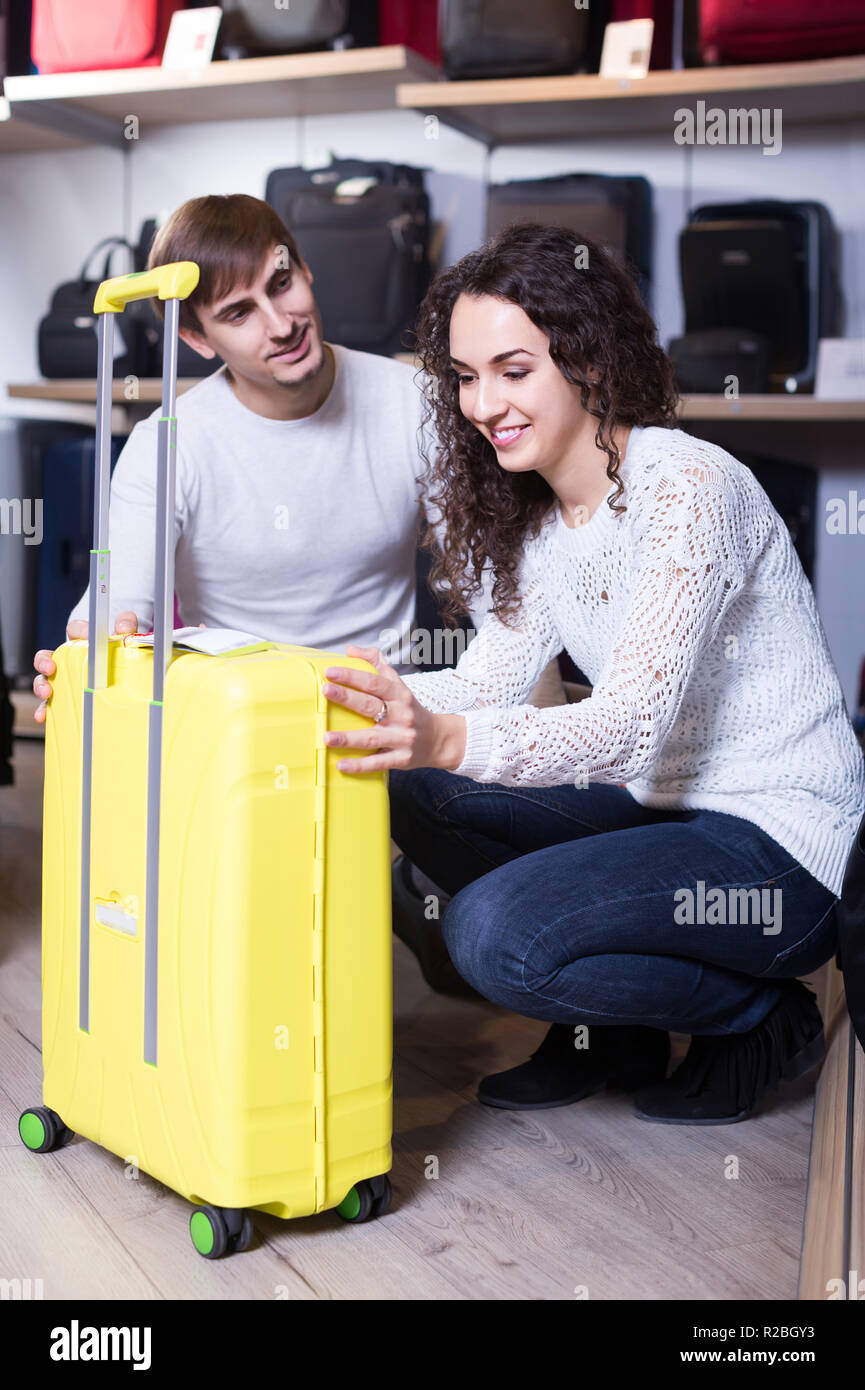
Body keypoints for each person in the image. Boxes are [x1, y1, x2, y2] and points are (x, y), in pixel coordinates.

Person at [318, 221, 865, 1126]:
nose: (483, 403)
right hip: (671, 810)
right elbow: (490, 678)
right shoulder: (536, 517)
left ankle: (760, 1015)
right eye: (463, 377)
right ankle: (613, 1027)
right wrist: (369, 701)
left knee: (490, 936)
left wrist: (446, 734)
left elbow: (630, 725)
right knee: (412, 782)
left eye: (513, 369)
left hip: (781, 850)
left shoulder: (686, 485)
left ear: (589, 362)